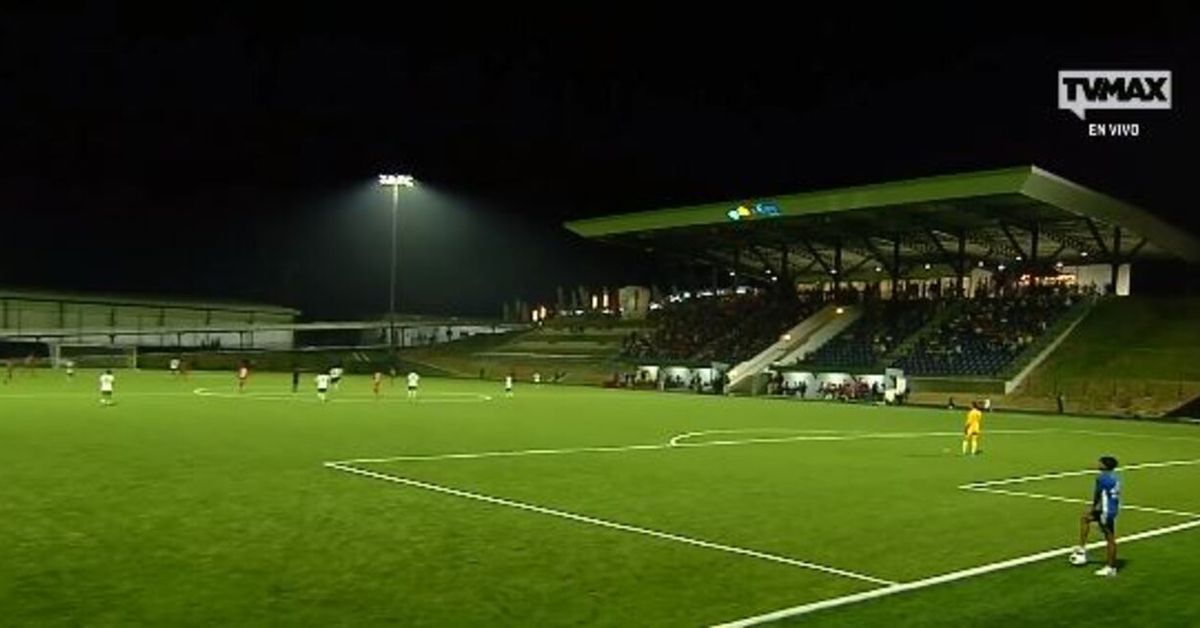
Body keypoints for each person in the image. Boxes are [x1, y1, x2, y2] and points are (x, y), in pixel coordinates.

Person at [1071, 456, 1121, 577]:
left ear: (1105, 465)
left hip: (1105, 511)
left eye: (1100, 463)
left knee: (1110, 539)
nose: (1098, 464)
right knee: (1085, 518)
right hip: (1111, 508)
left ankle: (1111, 568)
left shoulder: (1102, 478)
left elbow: (1098, 494)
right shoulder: (1115, 476)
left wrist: (1093, 508)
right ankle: (1082, 548)